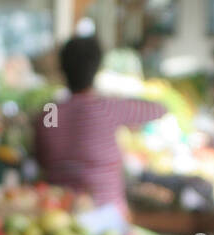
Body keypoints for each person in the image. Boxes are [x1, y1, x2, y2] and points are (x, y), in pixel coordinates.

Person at [34, 35, 166, 215]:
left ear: (62, 69)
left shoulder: (50, 112)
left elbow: (41, 160)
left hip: (59, 214)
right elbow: (159, 109)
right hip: (106, 215)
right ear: (97, 68)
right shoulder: (108, 107)